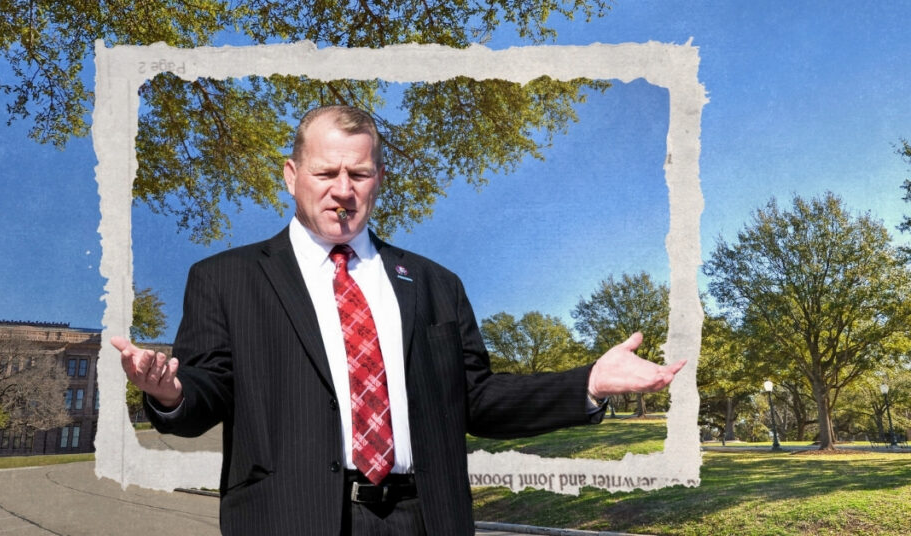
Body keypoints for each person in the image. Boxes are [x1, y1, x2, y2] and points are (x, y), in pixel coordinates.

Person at [111, 105, 685, 535]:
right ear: (291, 175)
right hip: (289, 516)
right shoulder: (226, 278)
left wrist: (587, 383)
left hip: (424, 518)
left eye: (358, 174)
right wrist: (170, 391)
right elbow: (206, 393)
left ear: (379, 178)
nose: (342, 191)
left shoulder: (435, 284)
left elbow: (476, 399)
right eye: (325, 173)